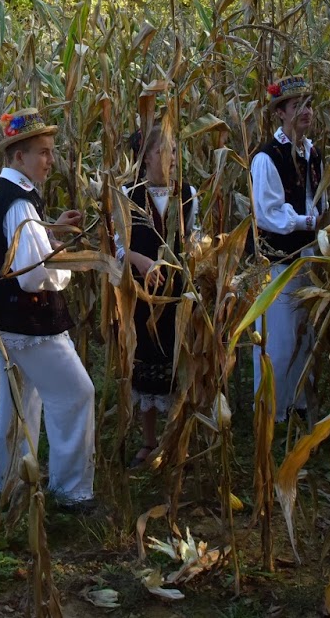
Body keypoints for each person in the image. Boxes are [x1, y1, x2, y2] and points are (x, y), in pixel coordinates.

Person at [0, 108, 95, 508]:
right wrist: (70, 269)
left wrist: (53, 230)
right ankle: (71, 491)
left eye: (50, 151)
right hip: (29, 323)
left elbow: (22, 247)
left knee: (20, 403)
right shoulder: (18, 204)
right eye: (42, 152)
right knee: (77, 393)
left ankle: (9, 483)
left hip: (6, 320)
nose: (50, 160)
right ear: (17, 157)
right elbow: (31, 274)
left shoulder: (3, 193)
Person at [114, 124, 198, 467]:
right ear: (146, 156)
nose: (174, 158)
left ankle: (176, 440)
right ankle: (148, 442)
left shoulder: (188, 194)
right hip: (141, 295)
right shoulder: (126, 194)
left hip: (178, 296)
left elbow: (194, 239)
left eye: (176, 151)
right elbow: (117, 246)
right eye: (166, 151)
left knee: (179, 364)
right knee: (146, 365)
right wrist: (141, 260)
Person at [249, 74, 325, 421]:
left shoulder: (313, 153)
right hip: (278, 261)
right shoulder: (268, 157)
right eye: (298, 106)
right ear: (281, 112)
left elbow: (315, 200)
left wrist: (321, 219)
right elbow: (269, 214)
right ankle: (272, 410)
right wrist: (310, 222)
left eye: (309, 105)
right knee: (277, 338)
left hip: (307, 256)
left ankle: (298, 402)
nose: (306, 112)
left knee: (303, 333)